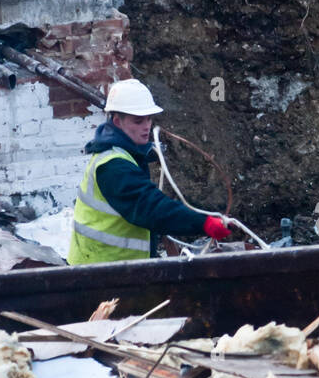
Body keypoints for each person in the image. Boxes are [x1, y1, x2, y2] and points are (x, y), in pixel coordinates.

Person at [68, 79, 230, 265]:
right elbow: (152, 208)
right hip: (101, 271)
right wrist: (204, 223)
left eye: (149, 119)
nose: (147, 126)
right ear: (117, 122)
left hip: (114, 266)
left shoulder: (123, 153)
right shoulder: (114, 166)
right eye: (138, 121)